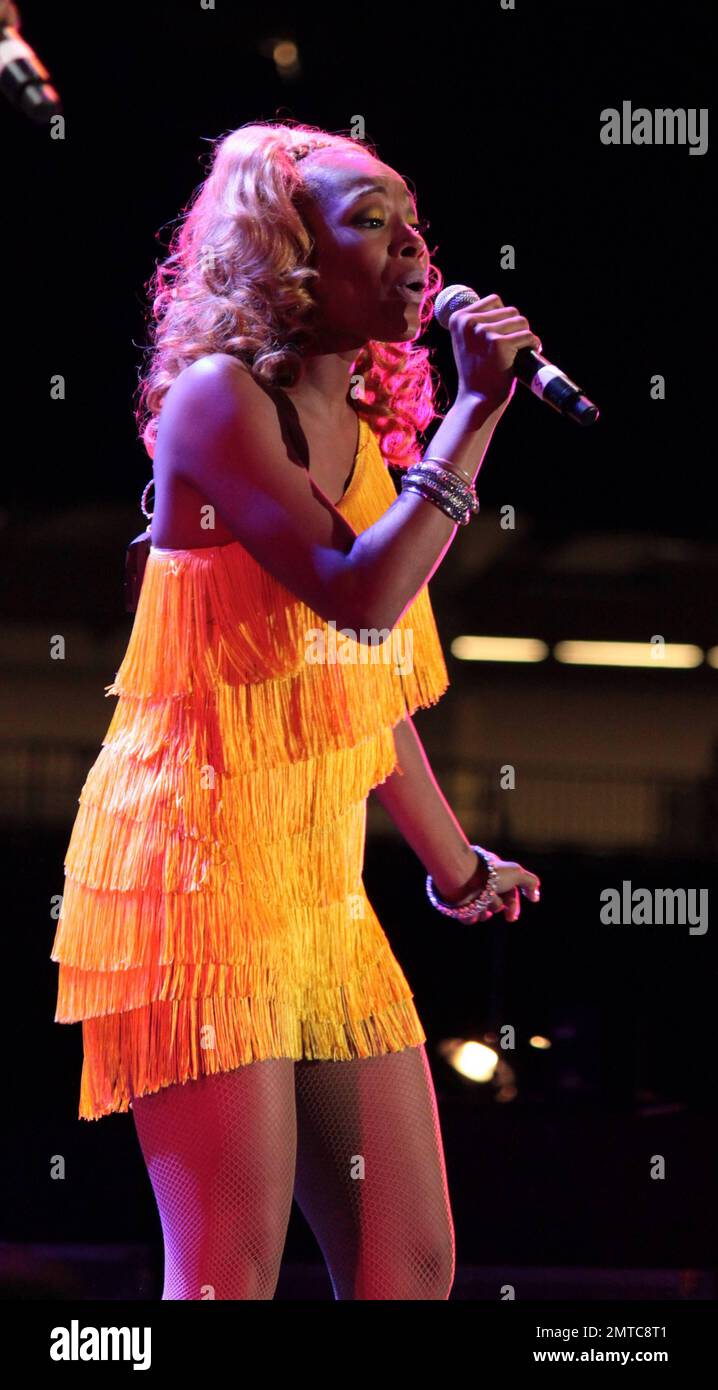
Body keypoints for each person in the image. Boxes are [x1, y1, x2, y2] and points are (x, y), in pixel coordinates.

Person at [51, 120, 542, 1300]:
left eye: (415, 220)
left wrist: (453, 865)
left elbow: (359, 691)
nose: (415, 247)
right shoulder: (216, 404)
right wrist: (476, 416)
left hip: (320, 889)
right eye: (371, 220)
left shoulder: (370, 445)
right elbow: (364, 596)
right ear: (286, 255)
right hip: (193, 866)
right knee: (230, 1264)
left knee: (410, 1260)